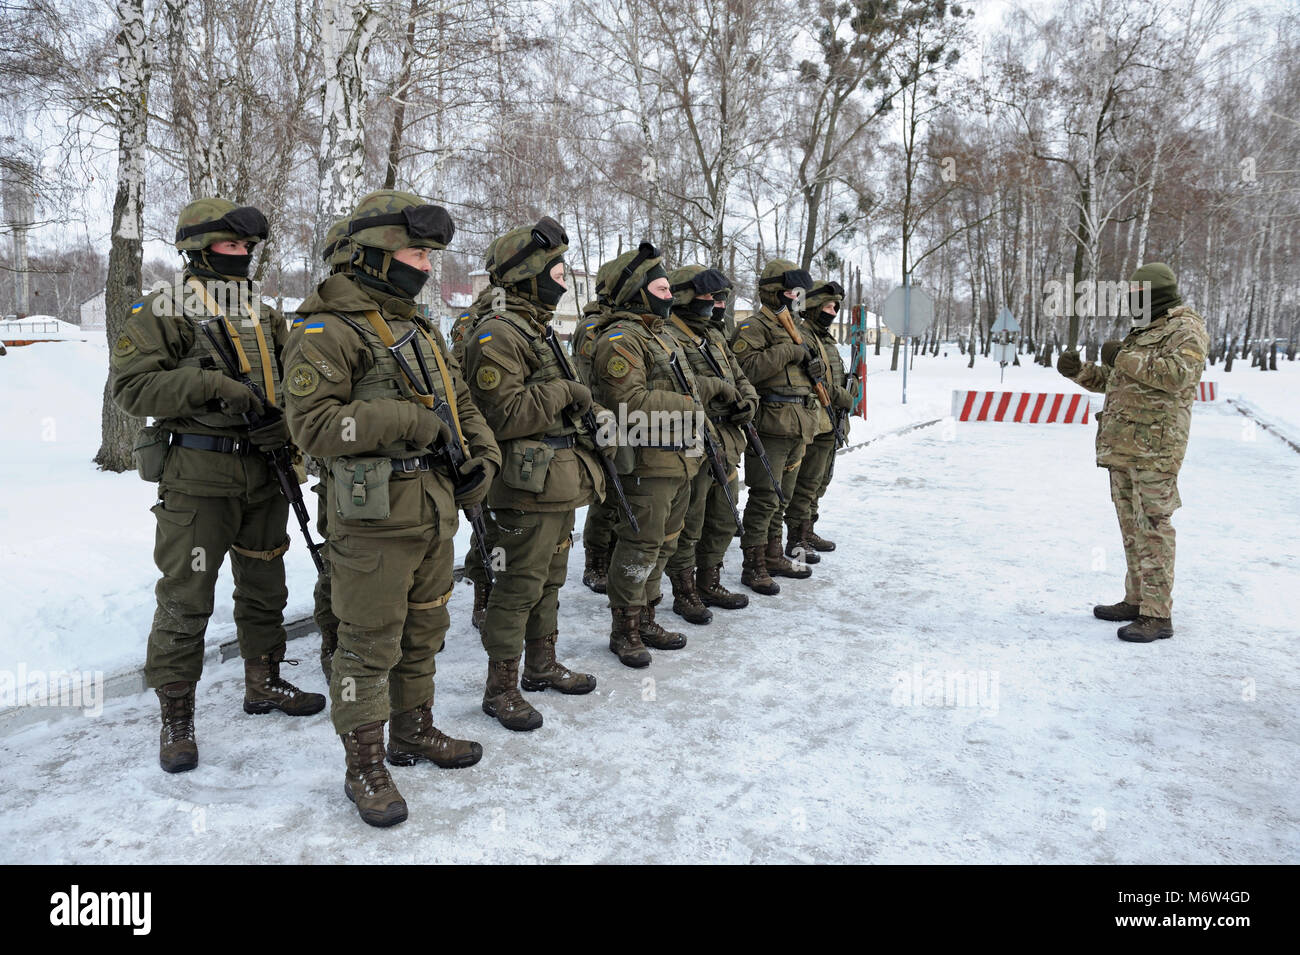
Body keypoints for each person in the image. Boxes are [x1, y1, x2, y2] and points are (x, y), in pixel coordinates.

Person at [283, 190, 500, 827]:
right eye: (415, 251)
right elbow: (315, 428)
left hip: (433, 507)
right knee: (368, 644)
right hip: (372, 515)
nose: (426, 265)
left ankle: (413, 730)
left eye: (430, 254)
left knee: (425, 630)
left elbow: (460, 406)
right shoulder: (326, 329)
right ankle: (365, 766)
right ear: (371, 257)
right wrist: (411, 420)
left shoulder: (420, 328)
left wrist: (480, 459)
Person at [112, 197, 324, 775]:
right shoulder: (163, 306)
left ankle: (265, 682)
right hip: (200, 477)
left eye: (248, 248)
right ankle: (177, 715)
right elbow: (132, 389)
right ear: (199, 249)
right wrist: (212, 386)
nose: (243, 257)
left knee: (264, 584)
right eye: (232, 247)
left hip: (264, 470)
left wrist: (293, 421)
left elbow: (294, 377)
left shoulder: (262, 311)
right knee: (187, 594)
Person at [461, 217, 607, 730]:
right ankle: (500, 689)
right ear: (527, 274)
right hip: (524, 484)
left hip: (555, 479)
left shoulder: (533, 328)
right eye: (558, 271)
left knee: (548, 580)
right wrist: (568, 394)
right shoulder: (497, 331)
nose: (565, 281)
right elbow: (502, 413)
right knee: (517, 586)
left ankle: (541, 666)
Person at [1056, 262, 1209, 643]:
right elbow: (1117, 381)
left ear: (1154, 295)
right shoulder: (1145, 330)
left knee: (1154, 528)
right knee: (1131, 529)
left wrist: (1121, 356)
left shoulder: (1185, 328)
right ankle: (1137, 600)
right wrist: (1079, 372)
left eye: (1135, 297)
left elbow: (1177, 376)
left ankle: (1158, 615)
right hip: (1124, 448)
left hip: (1156, 451)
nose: (1130, 304)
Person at [590, 243, 725, 666]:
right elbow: (627, 401)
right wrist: (693, 407)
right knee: (638, 548)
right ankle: (625, 628)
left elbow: (688, 386)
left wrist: (714, 394)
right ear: (638, 291)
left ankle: (646, 615)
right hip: (647, 462)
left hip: (681, 457)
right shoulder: (620, 339)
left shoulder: (661, 335)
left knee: (664, 545)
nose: (670, 296)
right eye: (663, 288)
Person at [661, 265, 757, 622]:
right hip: (695, 440)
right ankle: (684, 591)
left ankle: (709, 580)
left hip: (728, 439)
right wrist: (718, 389)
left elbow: (739, 375)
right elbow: (676, 389)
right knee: (690, 520)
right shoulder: (666, 336)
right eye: (711, 297)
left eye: (721, 298)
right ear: (685, 295)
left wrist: (748, 400)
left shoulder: (714, 337)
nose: (717, 304)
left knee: (723, 517)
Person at [730, 259, 819, 594]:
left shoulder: (794, 327)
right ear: (771, 290)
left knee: (783, 497)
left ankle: (772, 554)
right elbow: (745, 370)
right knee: (766, 496)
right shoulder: (754, 328)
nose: (794, 296)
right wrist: (787, 352)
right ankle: (753, 566)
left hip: (799, 423)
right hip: (770, 424)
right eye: (788, 290)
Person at [785, 279, 857, 560]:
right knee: (806, 483)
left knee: (820, 481)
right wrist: (843, 396)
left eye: (835, 307)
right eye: (827, 306)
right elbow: (812, 379)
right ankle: (797, 538)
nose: (832, 312)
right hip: (815, 420)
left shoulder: (824, 337)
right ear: (813, 307)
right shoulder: (803, 335)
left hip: (830, 421)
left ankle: (808, 528)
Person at [571, 262, 619, 594]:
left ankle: (613, 556)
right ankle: (595, 562)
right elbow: (594, 379)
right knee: (606, 496)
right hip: (602, 417)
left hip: (624, 418)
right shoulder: (593, 327)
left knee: (620, 493)